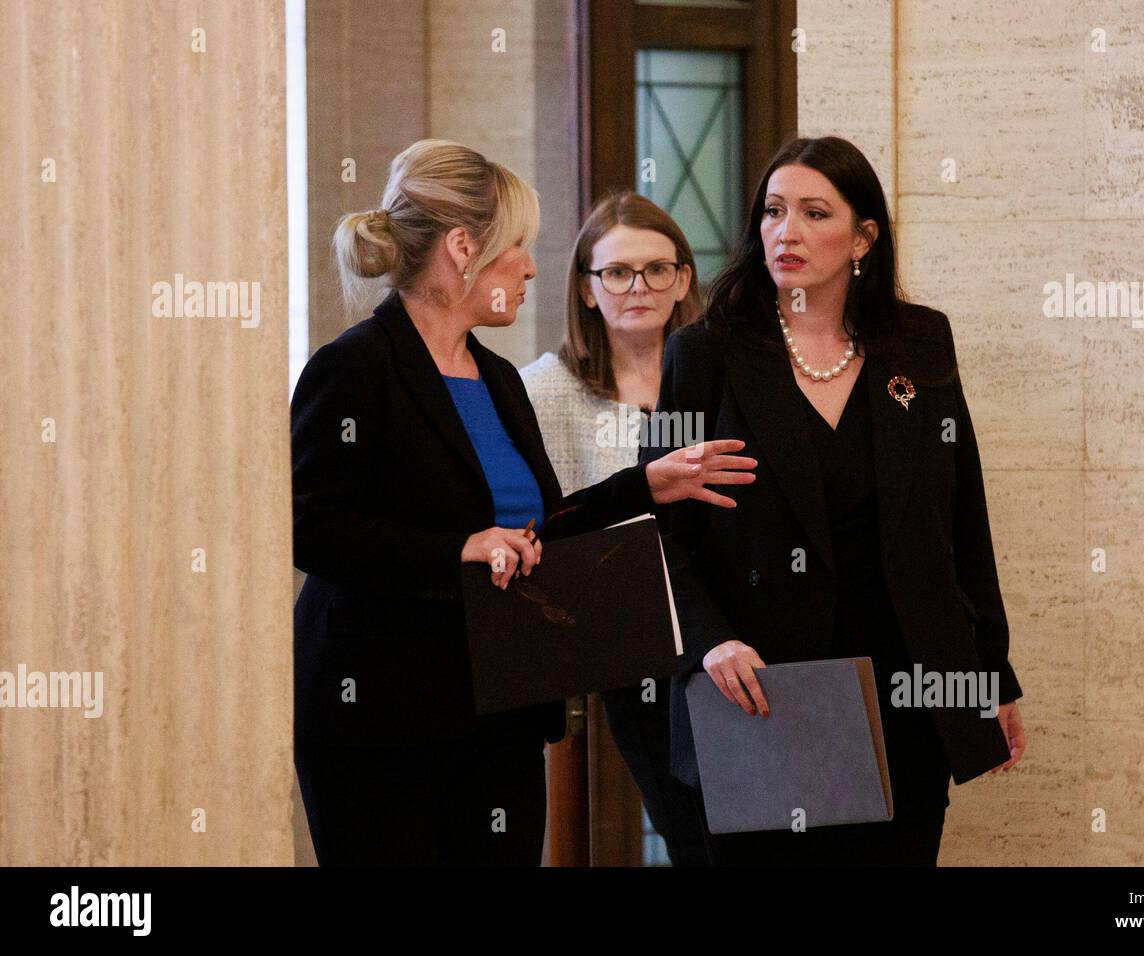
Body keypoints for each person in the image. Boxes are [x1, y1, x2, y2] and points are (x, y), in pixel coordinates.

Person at [290, 139, 756, 866]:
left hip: (497, 718)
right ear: (462, 248)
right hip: (382, 722)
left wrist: (644, 485)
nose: (533, 268)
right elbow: (309, 526)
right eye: (519, 248)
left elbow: (538, 532)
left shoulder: (498, 378)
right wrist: (458, 550)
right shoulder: (353, 370)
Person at [639, 135, 1027, 866]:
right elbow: (657, 527)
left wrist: (990, 672)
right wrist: (709, 639)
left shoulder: (920, 342)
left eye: (815, 213)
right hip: (761, 691)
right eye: (774, 211)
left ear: (863, 238)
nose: (787, 231)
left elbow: (961, 520)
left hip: (905, 689)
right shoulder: (703, 354)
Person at [521, 191, 710, 866]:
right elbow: (540, 525)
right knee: (691, 836)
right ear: (586, 286)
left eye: (658, 269)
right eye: (618, 272)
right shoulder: (545, 389)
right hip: (632, 656)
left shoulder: (715, 377)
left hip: (729, 637)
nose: (640, 287)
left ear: (684, 278)